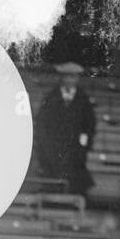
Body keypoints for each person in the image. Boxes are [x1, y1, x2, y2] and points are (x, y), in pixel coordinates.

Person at [33, 61, 96, 198]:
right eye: (66, 77)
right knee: (53, 175)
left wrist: (83, 143)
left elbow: (89, 124)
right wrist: (47, 144)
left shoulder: (83, 99)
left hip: (75, 148)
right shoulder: (51, 98)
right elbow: (42, 123)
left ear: (77, 79)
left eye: (73, 77)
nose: (69, 80)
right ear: (61, 78)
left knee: (76, 176)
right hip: (55, 147)